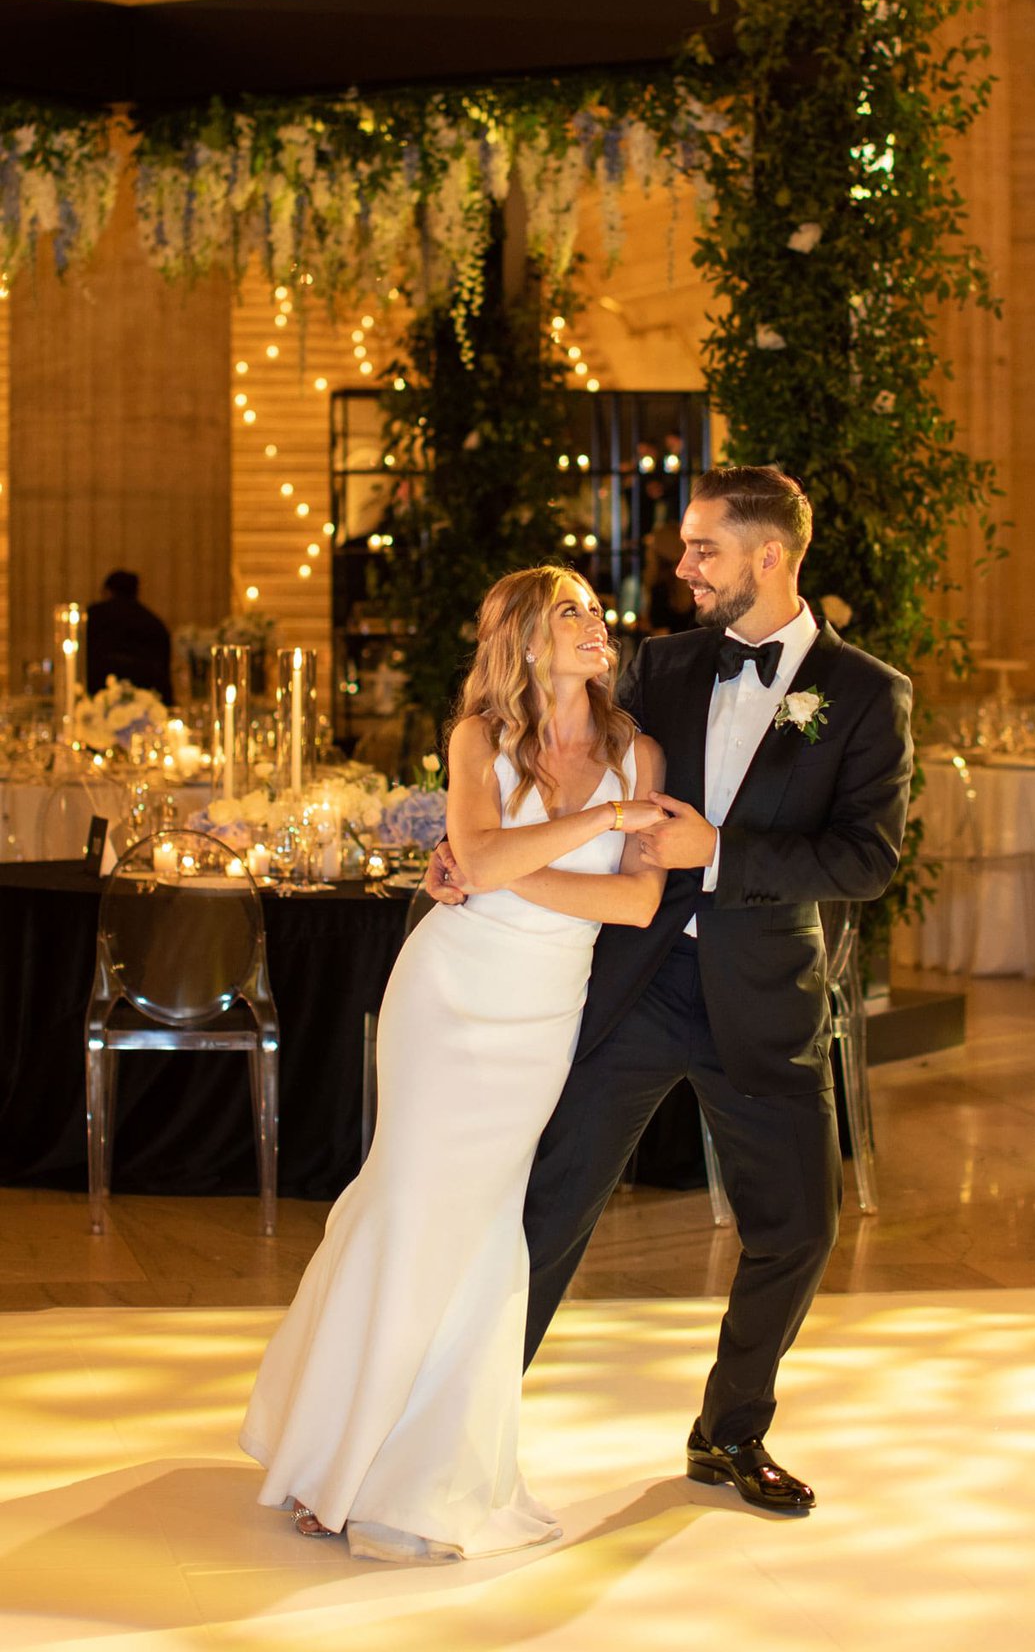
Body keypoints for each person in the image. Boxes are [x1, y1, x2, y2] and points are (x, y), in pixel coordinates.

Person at [429, 464, 913, 1515]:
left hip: (766, 994)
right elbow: (560, 759)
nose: (682, 566)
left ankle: (728, 1434)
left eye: (703, 550)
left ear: (769, 556)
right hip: (635, 984)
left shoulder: (869, 694)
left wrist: (722, 852)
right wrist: (473, 850)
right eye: (686, 548)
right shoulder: (662, 663)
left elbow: (867, 859)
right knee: (548, 1207)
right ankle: (451, 1429)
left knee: (800, 1227)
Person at [240, 567, 667, 1562]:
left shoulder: (637, 751)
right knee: (404, 1203)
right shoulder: (480, 737)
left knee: (479, 1227)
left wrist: (509, 865)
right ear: (524, 637)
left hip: (539, 1014)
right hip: (445, 996)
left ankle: (419, 1470)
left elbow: (636, 904)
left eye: (596, 610)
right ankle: (332, 1459)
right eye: (570, 612)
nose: (596, 624)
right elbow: (474, 863)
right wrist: (600, 826)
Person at [85, 570, 173, 704]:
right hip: (148, 703)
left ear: (107, 591)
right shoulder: (154, 623)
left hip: (99, 700)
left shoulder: (93, 616)